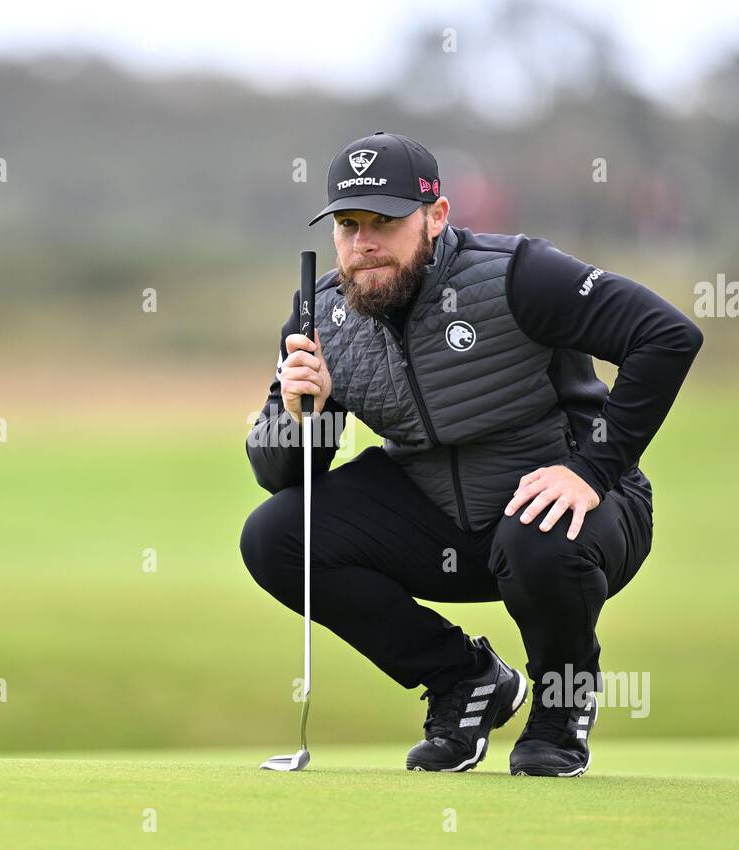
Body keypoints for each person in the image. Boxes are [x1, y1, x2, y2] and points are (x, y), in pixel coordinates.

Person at [239, 131, 703, 776]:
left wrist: (592, 469)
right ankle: (466, 681)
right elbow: (283, 478)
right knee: (276, 536)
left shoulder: (519, 274)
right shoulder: (320, 314)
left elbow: (667, 335)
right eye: (348, 225)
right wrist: (301, 419)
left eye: (386, 222)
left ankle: (558, 713)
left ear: (436, 217)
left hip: (575, 510)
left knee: (539, 533)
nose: (363, 243)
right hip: (436, 522)